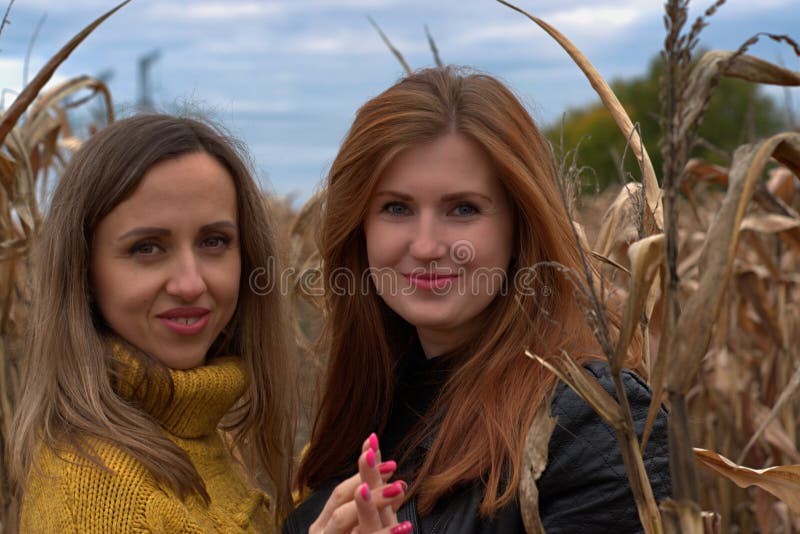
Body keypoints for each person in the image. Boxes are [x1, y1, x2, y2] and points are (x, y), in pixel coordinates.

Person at [283, 66, 671, 533]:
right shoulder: (367, 414)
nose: (426, 246)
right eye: (397, 208)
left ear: (520, 226)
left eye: (463, 209)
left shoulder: (597, 430)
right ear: (359, 229)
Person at [9, 114, 407, 534]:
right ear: (83, 272)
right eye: (147, 248)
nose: (190, 283)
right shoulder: (95, 498)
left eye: (213, 241)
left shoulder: (191, 430)